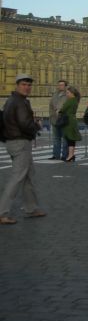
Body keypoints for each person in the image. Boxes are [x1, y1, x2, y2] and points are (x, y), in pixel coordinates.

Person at [0, 74, 46, 225]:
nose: (27, 87)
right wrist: (37, 126)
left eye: (29, 85)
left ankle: (31, 208)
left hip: (13, 141)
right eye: (24, 84)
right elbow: (24, 123)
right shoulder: (20, 102)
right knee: (18, 177)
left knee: (27, 176)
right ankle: (2, 212)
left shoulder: (11, 100)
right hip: (20, 142)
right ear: (17, 85)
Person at [58, 86, 82, 163]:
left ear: (72, 93)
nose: (66, 94)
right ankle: (71, 155)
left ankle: (70, 155)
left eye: (68, 93)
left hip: (68, 121)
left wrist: (59, 110)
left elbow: (62, 109)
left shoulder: (70, 100)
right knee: (71, 138)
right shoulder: (75, 100)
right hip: (72, 120)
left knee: (70, 139)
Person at [48, 79, 68, 160]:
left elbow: (67, 106)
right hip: (55, 119)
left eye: (62, 85)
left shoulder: (68, 95)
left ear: (65, 86)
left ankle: (65, 155)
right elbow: (51, 105)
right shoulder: (55, 95)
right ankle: (56, 155)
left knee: (65, 139)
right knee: (56, 138)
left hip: (63, 120)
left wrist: (60, 110)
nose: (60, 86)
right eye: (59, 85)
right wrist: (51, 115)